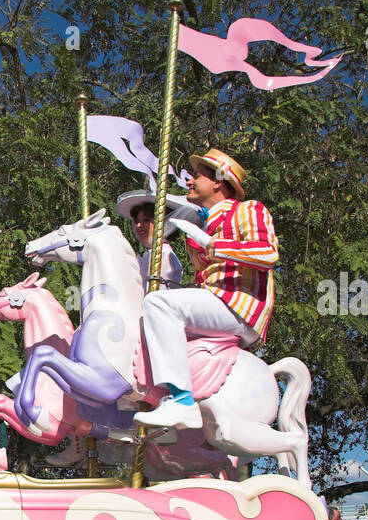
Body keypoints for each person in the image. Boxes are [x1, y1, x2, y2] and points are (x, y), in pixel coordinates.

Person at [133, 149, 276, 430]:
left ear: (218, 182)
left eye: (197, 175)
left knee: (159, 304)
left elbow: (267, 253)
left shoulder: (247, 210)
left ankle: (182, 402)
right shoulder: (204, 225)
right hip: (216, 305)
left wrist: (212, 244)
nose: (189, 180)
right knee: (145, 327)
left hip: (239, 305)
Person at [115, 189, 186, 289]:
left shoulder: (165, 255)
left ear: (163, 223)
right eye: (137, 221)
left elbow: (156, 293)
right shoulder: (149, 255)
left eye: (146, 220)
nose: (139, 225)